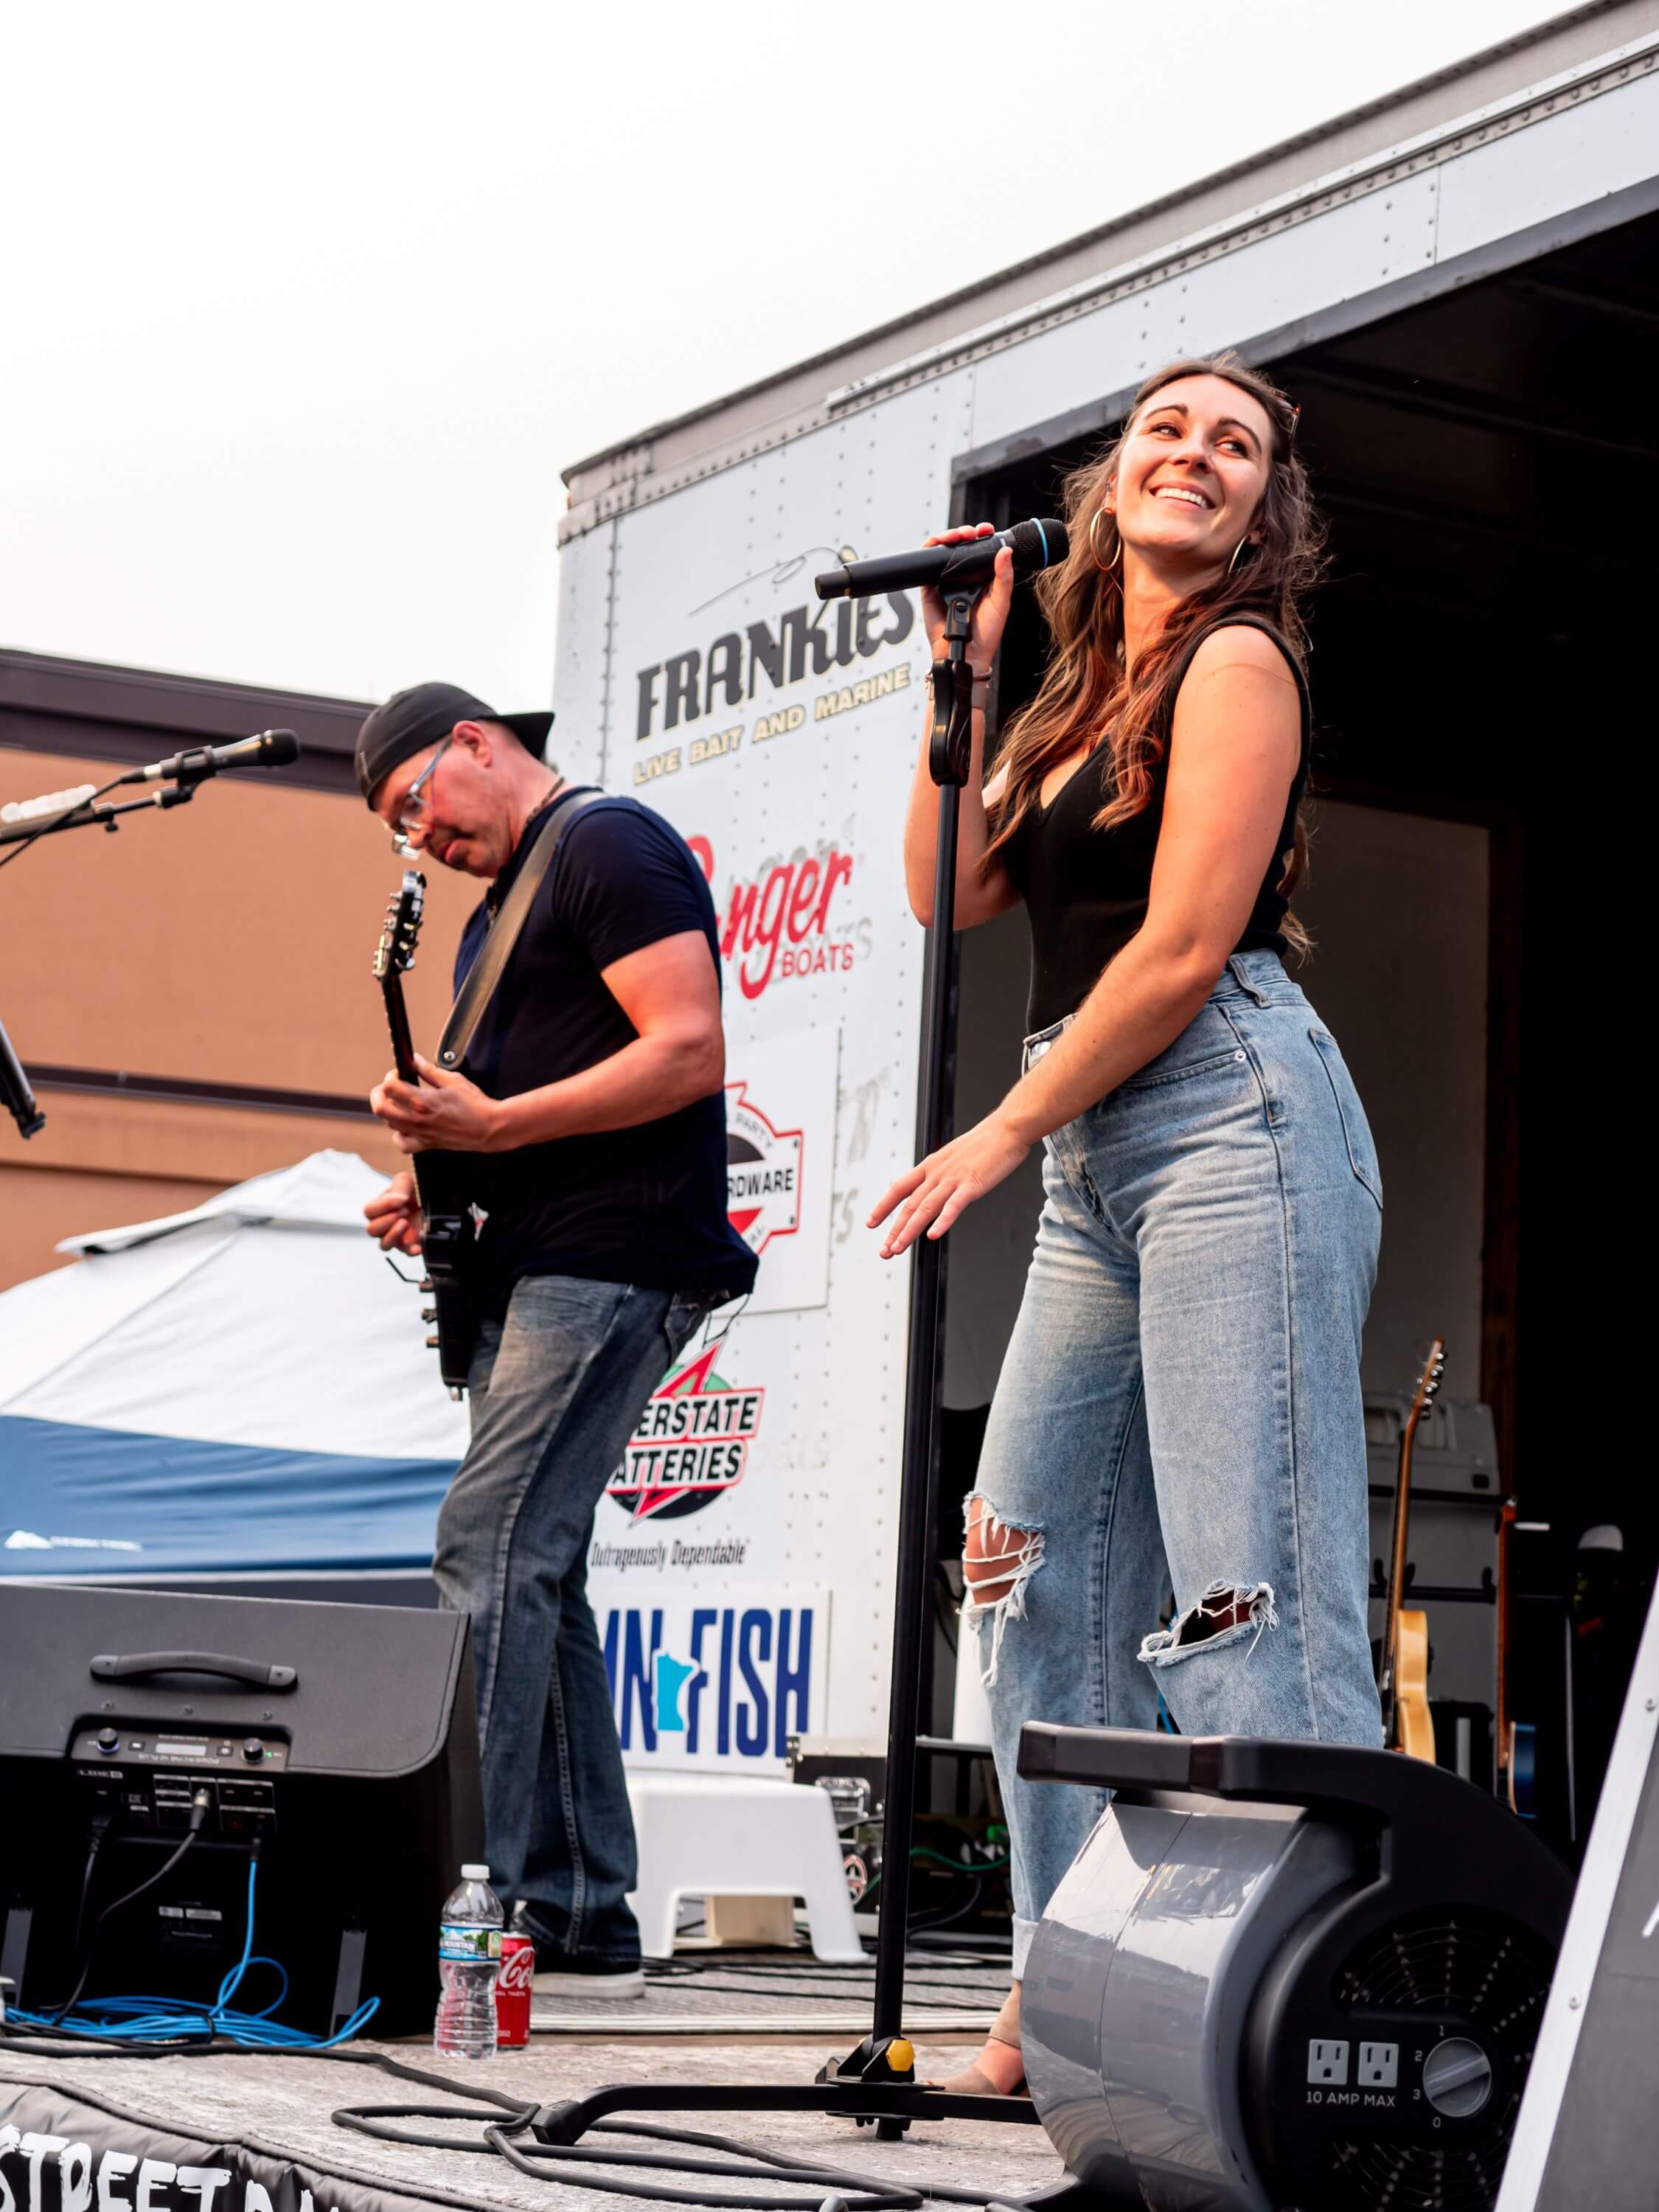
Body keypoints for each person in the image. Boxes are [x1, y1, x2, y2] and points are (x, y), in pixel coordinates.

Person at [870, 355, 1383, 2090]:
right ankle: (1067, 1994)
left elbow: (1176, 950)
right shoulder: (1078, 691)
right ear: (1111, 484)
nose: (1197, 453)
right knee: (1017, 1571)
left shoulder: (1239, 662)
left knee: (1244, 1592)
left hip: (1228, 1110)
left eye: (1236, 445)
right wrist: (961, 671)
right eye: (1170, 427)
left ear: (1261, 511)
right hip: (1099, 1149)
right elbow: (948, 887)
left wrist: (1004, 1129)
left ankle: (1313, 1998)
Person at [357, 681, 756, 1994]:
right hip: (540, 1259)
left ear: (474, 742)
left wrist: (491, 1130)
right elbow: (524, 1101)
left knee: (487, 1543)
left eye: (416, 803)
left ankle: (451, 1897)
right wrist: (435, 1180)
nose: (421, 838)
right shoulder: (497, 916)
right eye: (401, 832)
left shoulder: (605, 842)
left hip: (610, 1257)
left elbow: (687, 1050)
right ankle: (579, 1907)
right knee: (541, 1566)